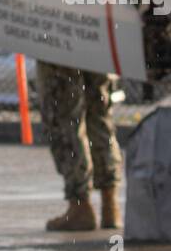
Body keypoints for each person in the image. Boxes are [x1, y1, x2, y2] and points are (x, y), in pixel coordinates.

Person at [36, 60, 123, 231]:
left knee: (64, 114)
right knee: (100, 112)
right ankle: (110, 204)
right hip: (98, 42)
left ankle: (80, 204)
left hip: (60, 45)